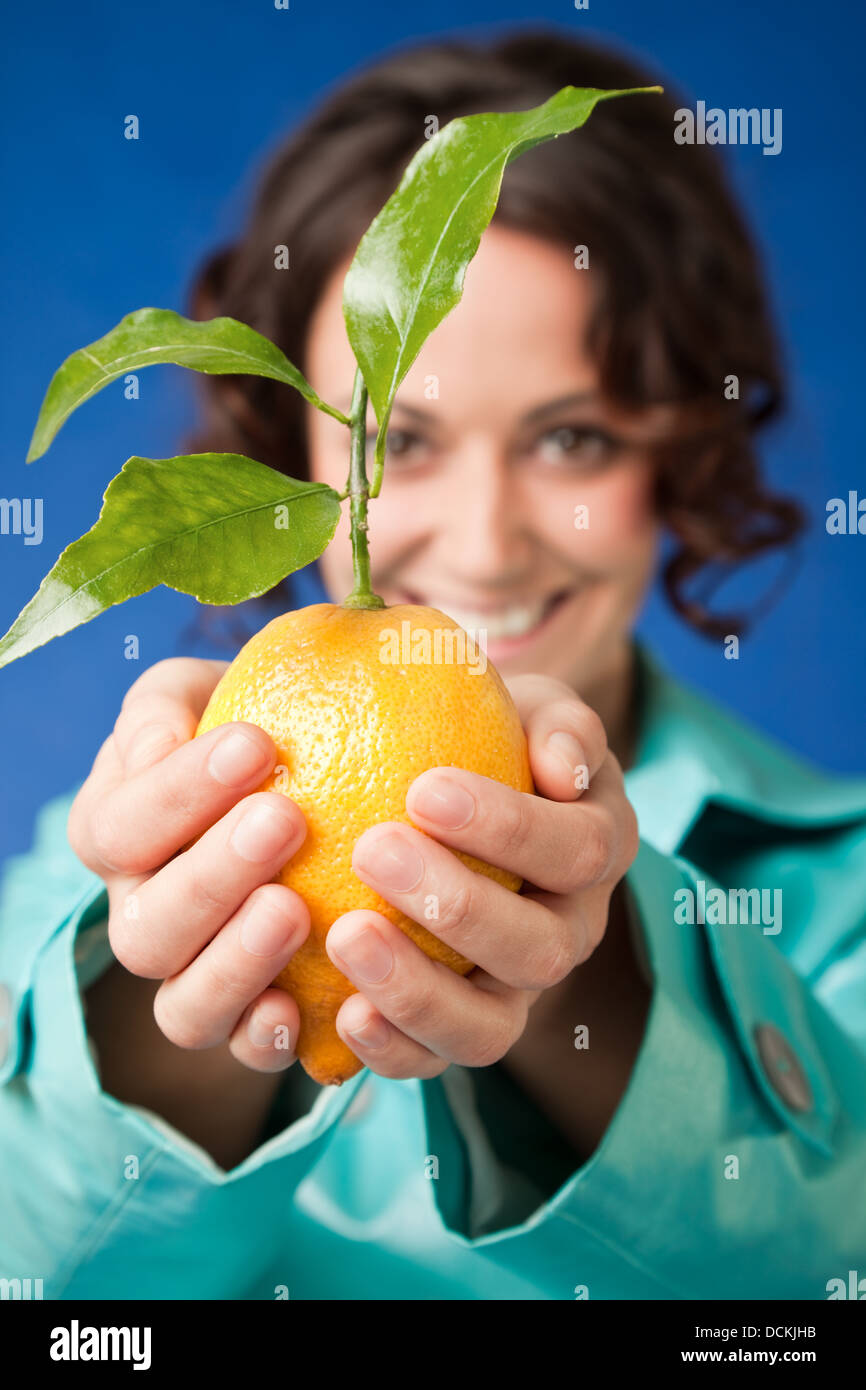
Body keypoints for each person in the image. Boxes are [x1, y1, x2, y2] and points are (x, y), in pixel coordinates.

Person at [1, 29, 864, 1302]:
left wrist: (602, 975)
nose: (479, 539)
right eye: (396, 437)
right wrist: (173, 990)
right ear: (285, 450)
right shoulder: (92, 858)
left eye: (569, 438)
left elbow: (815, 1262)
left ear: (674, 455)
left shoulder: (832, 885)